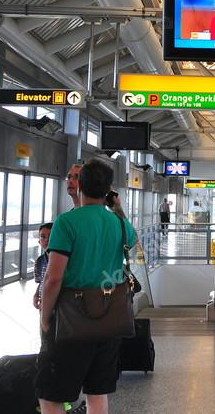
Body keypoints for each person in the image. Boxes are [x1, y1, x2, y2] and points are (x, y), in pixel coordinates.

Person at [37, 159, 137, 414]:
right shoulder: (119, 223)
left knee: (51, 397)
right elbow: (130, 236)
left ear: (80, 185)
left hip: (72, 319)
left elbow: (54, 277)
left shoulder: (66, 223)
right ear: (108, 190)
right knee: (97, 393)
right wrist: (118, 209)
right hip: (110, 320)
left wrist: (45, 318)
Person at [32, 222, 53, 309]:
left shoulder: (64, 261)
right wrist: (36, 294)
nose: (47, 240)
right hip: (42, 305)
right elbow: (40, 282)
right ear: (39, 241)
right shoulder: (39, 261)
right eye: (43, 237)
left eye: (51, 236)